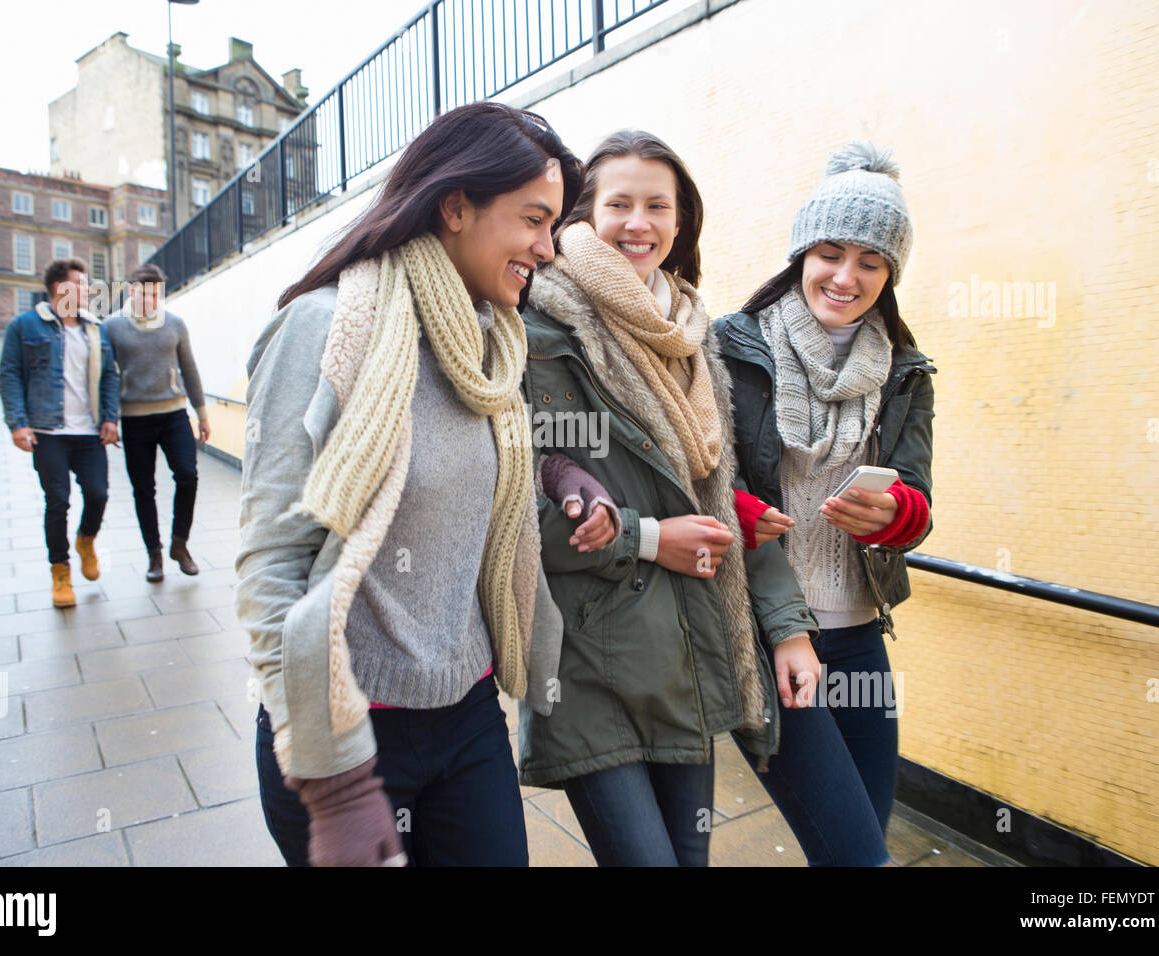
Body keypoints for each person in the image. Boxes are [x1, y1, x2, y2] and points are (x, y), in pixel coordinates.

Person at [236, 102, 594, 867]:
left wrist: (562, 476)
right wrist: (334, 783)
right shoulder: (326, 328)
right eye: (534, 219)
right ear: (455, 204)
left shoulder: (493, 342)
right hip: (351, 735)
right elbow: (269, 566)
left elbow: (473, 485)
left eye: (555, 225)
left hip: (467, 714)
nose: (549, 248)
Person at [517, 130, 820, 866]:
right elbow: (512, 513)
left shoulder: (694, 337)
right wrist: (649, 538)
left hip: (687, 654)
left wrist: (785, 625)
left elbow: (732, 497)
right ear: (582, 216)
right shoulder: (536, 330)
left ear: (681, 223)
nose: (638, 223)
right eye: (618, 203)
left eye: (659, 205)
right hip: (590, 661)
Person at [714, 141, 936, 866]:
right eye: (830, 253)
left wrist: (895, 515)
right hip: (772, 634)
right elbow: (695, 477)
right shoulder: (731, 348)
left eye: (870, 261)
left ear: (890, 273)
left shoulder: (905, 372)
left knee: (861, 843)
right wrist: (738, 511)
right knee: (857, 856)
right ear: (801, 253)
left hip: (861, 634)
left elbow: (919, 501)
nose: (846, 276)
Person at [0, 258, 120, 608]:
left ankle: (86, 540)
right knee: (58, 502)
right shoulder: (24, 326)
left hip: (89, 431)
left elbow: (109, 376)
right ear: (59, 288)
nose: (87, 290)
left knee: (97, 494)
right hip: (46, 430)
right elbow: (9, 374)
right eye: (80, 283)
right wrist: (18, 423)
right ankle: (61, 572)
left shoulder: (96, 329)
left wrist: (110, 418)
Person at [104, 264, 209, 582]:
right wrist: (108, 419)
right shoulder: (111, 326)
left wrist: (202, 413)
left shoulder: (175, 324)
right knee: (143, 489)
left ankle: (180, 544)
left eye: (156, 294)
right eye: (145, 293)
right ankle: (155, 555)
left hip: (174, 414)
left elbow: (189, 369)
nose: (151, 300)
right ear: (131, 290)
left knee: (188, 475)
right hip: (134, 418)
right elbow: (105, 376)